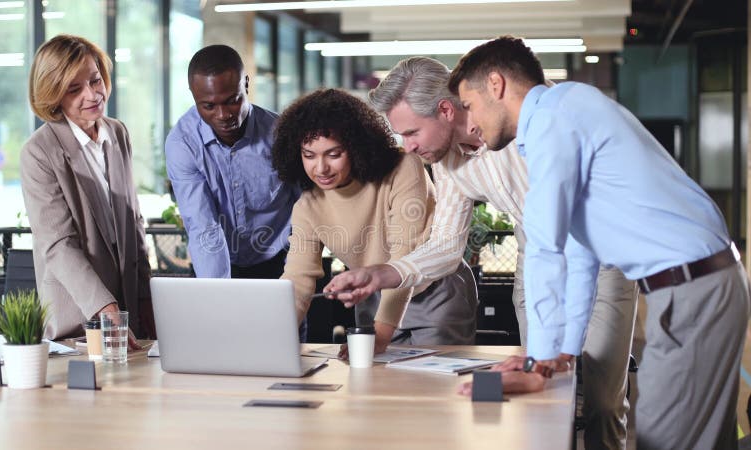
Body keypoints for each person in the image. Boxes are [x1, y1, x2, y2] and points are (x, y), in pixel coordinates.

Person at [445, 36, 749, 449]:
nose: (469, 122)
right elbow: (579, 252)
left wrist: (537, 364)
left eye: (468, 105)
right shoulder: (568, 109)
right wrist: (563, 352)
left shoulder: (554, 121)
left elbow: (545, 248)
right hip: (704, 283)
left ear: (496, 85)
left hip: (691, 291)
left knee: (663, 437)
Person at [328, 56, 636, 449]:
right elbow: (445, 246)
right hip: (535, 255)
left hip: (596, 249)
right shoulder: (446, 160)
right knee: (541, 387)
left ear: (444, 110)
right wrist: (382, 274)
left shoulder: (521, 124)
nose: (408, 147)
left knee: (602, 401)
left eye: (412, 132)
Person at [273, 88, 478, 352]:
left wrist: (380, 335)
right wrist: (273, 338)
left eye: (333, 154)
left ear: (356, 146)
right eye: (309, 155)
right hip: (372, 299)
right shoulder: (307, 206)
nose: (320, 168)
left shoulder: (403, 167)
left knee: (432, 386)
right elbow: (298, 281)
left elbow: (404, 254)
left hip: (434, 294)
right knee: (375, 388)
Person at [21, 34, 154, 344]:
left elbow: (133, 221)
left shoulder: (117, 132)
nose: (93, 95)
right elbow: (58, 244)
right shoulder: (39, 151)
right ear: (53, 95)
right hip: (79, 317)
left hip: (128, 311)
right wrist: (105, 311)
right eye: (75, 89)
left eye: (96, 81)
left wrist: (146, 297)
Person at [165, 45, 299, 280]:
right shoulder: (183, 143)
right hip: (218, 260)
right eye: (208, 106)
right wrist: (219, 295)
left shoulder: (281, 134)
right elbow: (202, 225)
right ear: (194, 94)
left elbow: (307, 205)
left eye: (232, 101)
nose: (223, 114)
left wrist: (298, 274)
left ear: (245, 84)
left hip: (281, 260)